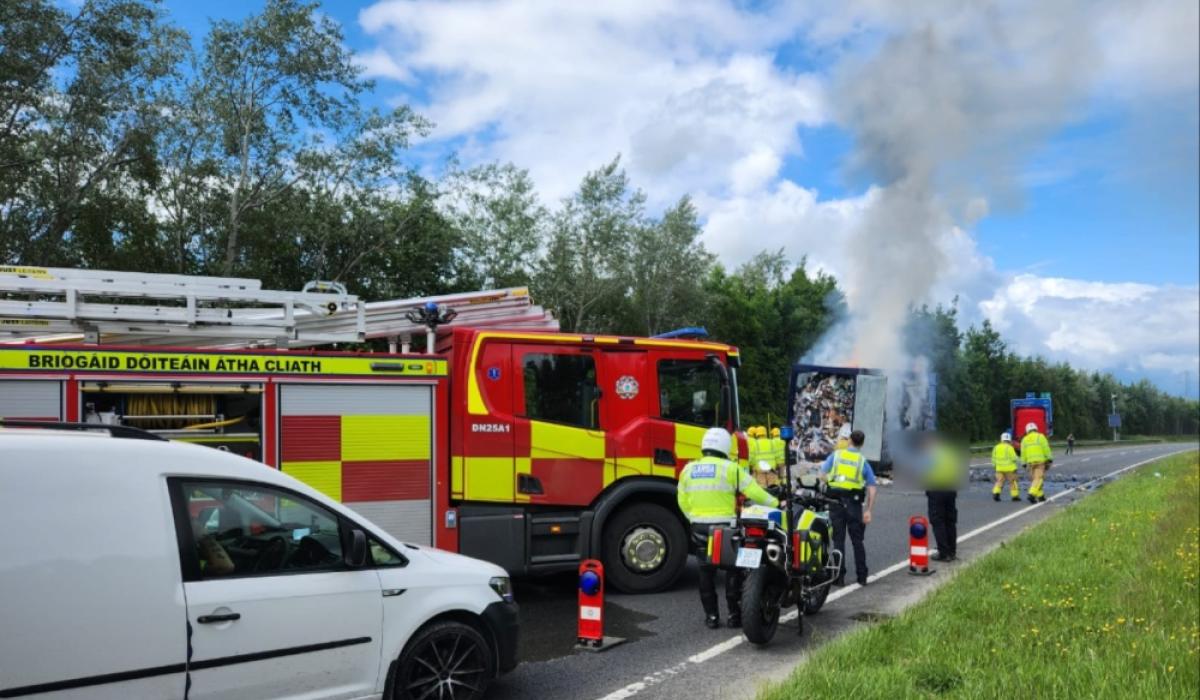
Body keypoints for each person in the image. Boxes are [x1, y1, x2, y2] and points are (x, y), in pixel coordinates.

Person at [677, 427, 780, 629]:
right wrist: (776, 503)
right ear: (725, 446)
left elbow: (682, 500)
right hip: (726, 528)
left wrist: (693, 518)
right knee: (733, 571)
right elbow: (754, 492)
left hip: (699, 528)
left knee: (705, 573)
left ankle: (712, 617)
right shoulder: (730, 468)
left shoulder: (689, 469)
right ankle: (734, 616)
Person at [819, 430, 877, 586]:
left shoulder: (836, 456)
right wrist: (869, 510)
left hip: (836, 502)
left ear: (850, 440)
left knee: (838, 540)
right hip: (854, 504)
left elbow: (822, 474)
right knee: (857, 540)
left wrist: (832, 480)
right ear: (862, 443)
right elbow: (872, 487)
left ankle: (839, 577)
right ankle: (862, 576)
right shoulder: (862, 461)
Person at [923, 437, 963, 562]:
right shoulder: (950, 454)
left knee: (938, 521)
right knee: (950, 521)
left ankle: (944, 553)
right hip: (950, 489)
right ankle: (952, 551)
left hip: (937, 490)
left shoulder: (931, 455)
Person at [1021, 423, 1053, 503]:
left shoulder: (1024, 439)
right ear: (1036, 428)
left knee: (1035, 479)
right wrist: (1049, 459)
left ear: (1027, 430)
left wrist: (1023, 463)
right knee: (1039, 479)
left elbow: (1023, 453)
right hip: (1040, 462)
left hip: (1030, 463)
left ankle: (1041, 496)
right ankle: (1031, 494)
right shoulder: (1040, 437)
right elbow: (1046, 448)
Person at [991, 432, 1021, 502]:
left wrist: (995, 466)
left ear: (1001, 439)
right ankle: (1015, 496)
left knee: (999, 481)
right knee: (1013, 482)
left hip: (999, 468)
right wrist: (1019, 459)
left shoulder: (996, 447)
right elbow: (1014, 458)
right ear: (1009, 440)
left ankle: (996, 493)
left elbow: (993, 459)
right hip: (1010, 469)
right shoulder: (1010, 447)